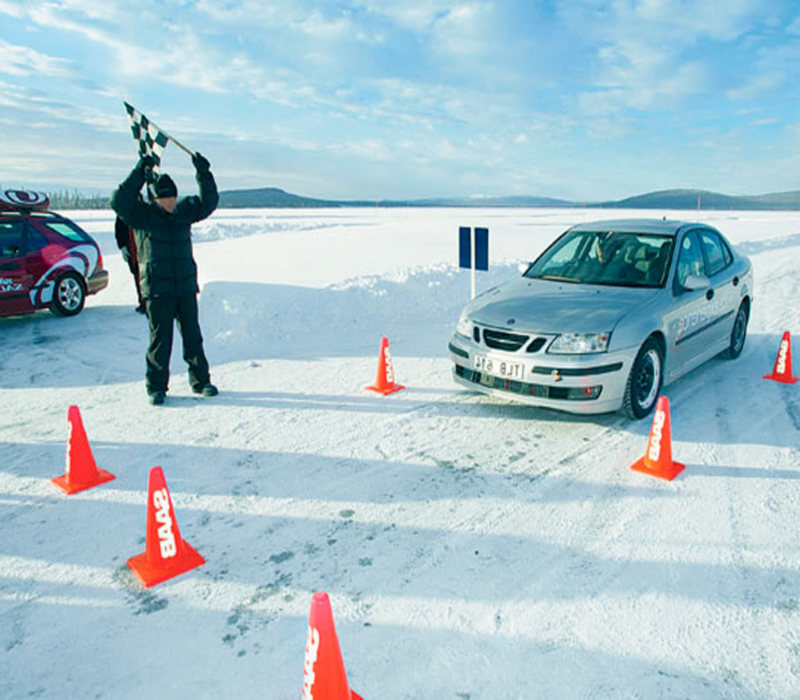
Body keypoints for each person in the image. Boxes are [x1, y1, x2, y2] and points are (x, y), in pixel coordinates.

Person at [111, 152, 219, 405]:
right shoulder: (142, 216)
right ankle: (156, 387)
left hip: (184, 286)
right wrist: (140, 171)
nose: (170, 201)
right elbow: (119, 201)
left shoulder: (183, 212)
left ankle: (201, 381)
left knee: (193, 337)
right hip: (157, 289)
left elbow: (209, 202)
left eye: (173, 196)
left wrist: (204, 174)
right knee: (161, 341)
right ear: (155, 198)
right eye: (164, 197)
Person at [114, 214, 145, 313]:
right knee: (137, 273)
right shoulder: (123, 211)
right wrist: (122, 245)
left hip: (145, 247)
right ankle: (143, 302)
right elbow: (119, 229)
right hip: (132, 247)